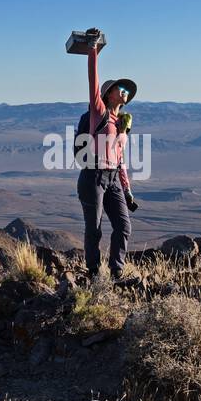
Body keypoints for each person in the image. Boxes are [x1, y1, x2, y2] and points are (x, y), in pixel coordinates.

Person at [78, 43, 138, 280]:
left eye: (126, 90)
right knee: (94, 229)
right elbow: (93, 80)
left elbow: (120, 159)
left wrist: (128, 190)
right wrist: (93, 51)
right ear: (108, 93)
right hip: (93, 176)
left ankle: (117, 272)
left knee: (124, 226)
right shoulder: (98, 113)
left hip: (113, 179)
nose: (124, 91)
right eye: (120, 88)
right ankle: (93, 273)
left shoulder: (121, 124)